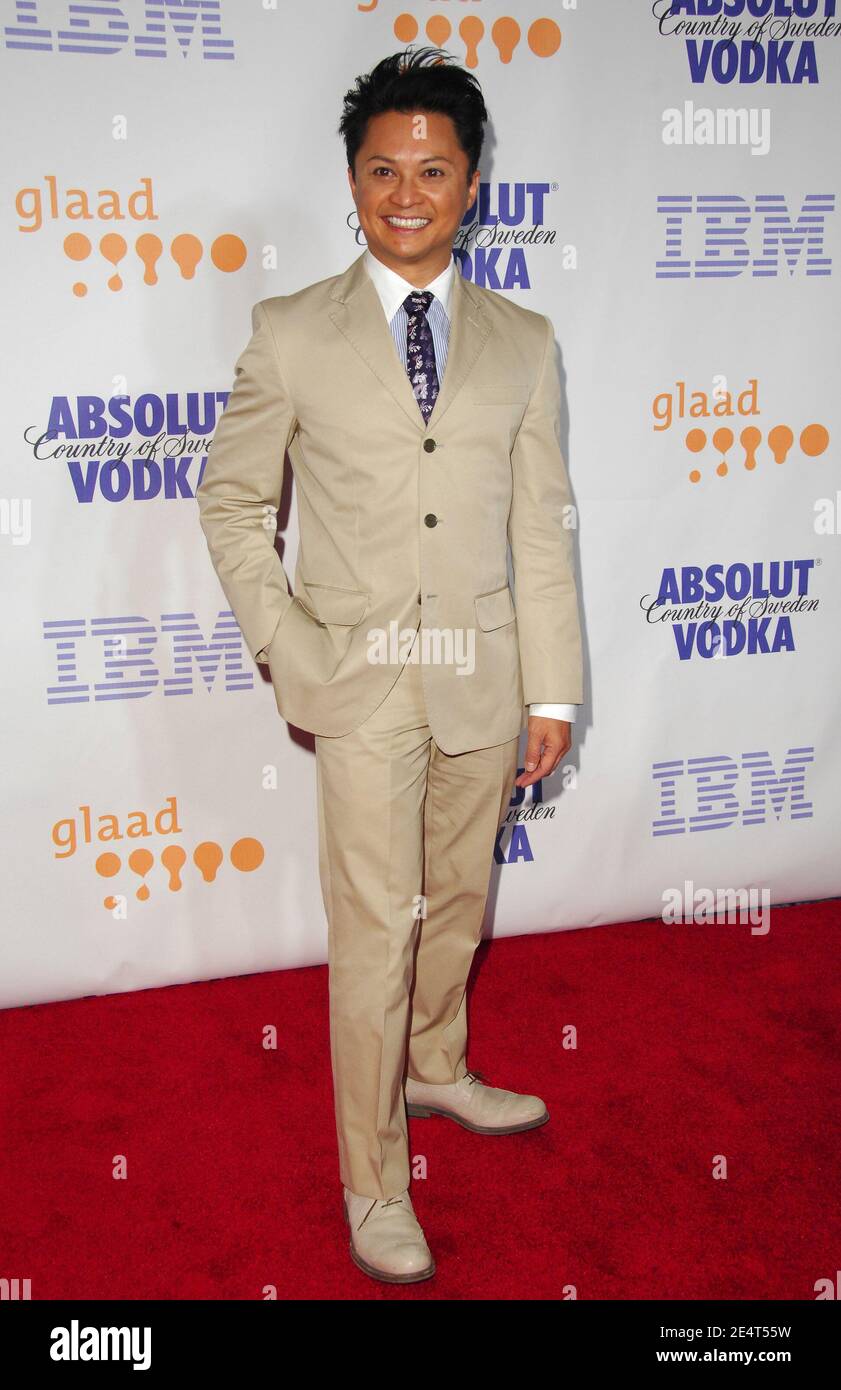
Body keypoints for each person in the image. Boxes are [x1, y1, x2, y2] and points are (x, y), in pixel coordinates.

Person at [196, 46, 584, 1285]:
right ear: (351, 181)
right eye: (383, 170)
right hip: (359, 690)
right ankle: (374, 1183)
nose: (406, 194)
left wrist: (553, 688)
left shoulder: (524, 340)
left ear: (473, 185)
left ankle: (435, 1068)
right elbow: (230, 501)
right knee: (375, 931)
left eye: (434, 169)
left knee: (458, 906)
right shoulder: (290, 331)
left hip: (484, 673)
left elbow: (543, 523)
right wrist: (287, 643)